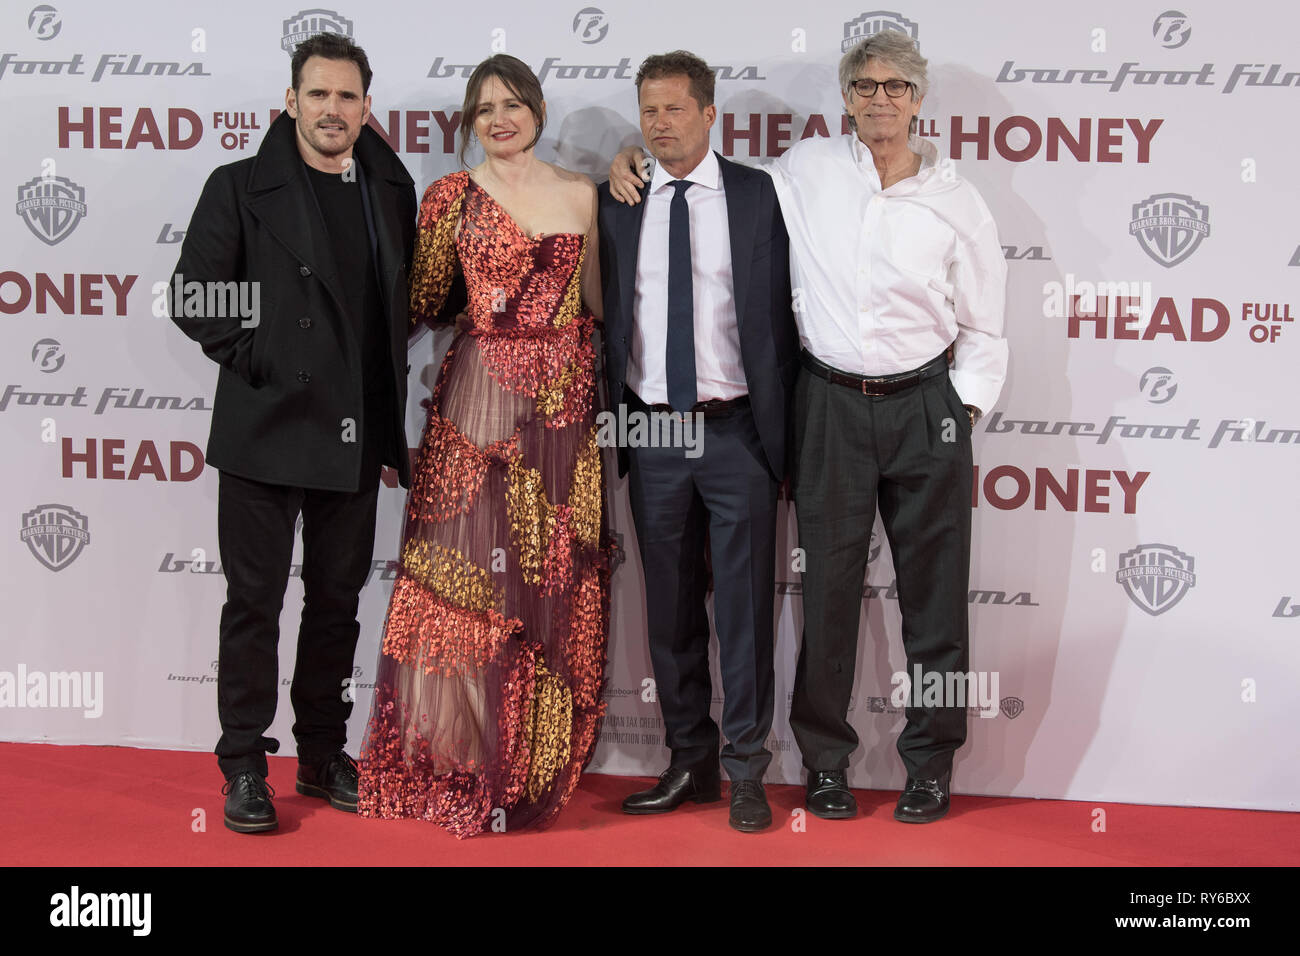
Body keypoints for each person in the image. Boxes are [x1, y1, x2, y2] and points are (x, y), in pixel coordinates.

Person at [609, 31, 1007, 823]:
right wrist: (634, 149)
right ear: (847, 98)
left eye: (895, 88)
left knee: (936, 602)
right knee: (827, 596)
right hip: (827, 402)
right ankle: (827, 764)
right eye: (865, 87)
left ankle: (931, 764)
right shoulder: (804, 171)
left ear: (919, 99)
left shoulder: (960, 201)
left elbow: (986, 326)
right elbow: (690, 162)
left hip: (928, 405)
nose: (880, 101)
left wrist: (960, 411)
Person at [170, 33, 429, 832]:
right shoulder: (240, 186)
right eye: (318, 94)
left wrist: (387, 435)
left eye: (347, 97)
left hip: (350, 437)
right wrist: (269, 362)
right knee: (253, 603)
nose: (332, 110)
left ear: (365, 109)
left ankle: (320, 756)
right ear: (290, 101)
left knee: (337, 603)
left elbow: (388, 327)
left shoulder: (388, 187)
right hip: (264, 431)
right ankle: (245, 763)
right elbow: (195, 300)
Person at [356, 54, 611, 838]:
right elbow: (427, 303)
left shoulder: (580, 192)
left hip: (563, 411)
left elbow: (595, 302)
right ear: (469, 122)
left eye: (514, 103)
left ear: (538, 108)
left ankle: (525, 759)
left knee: (547, 579)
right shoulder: (450, 198)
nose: (501, 118)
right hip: (476, 410)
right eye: (484, 107)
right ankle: (462, 755)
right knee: (463, 582)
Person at [598, 51, 797, 832]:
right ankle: (691, 761)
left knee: (744, 610)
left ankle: (748, 768)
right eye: (647, 110)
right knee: (669, 609)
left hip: (737, 429)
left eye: (675, 109)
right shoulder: (617, 198)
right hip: (650, 430)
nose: (658, 124)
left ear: (711, 114)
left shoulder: (763, 195)